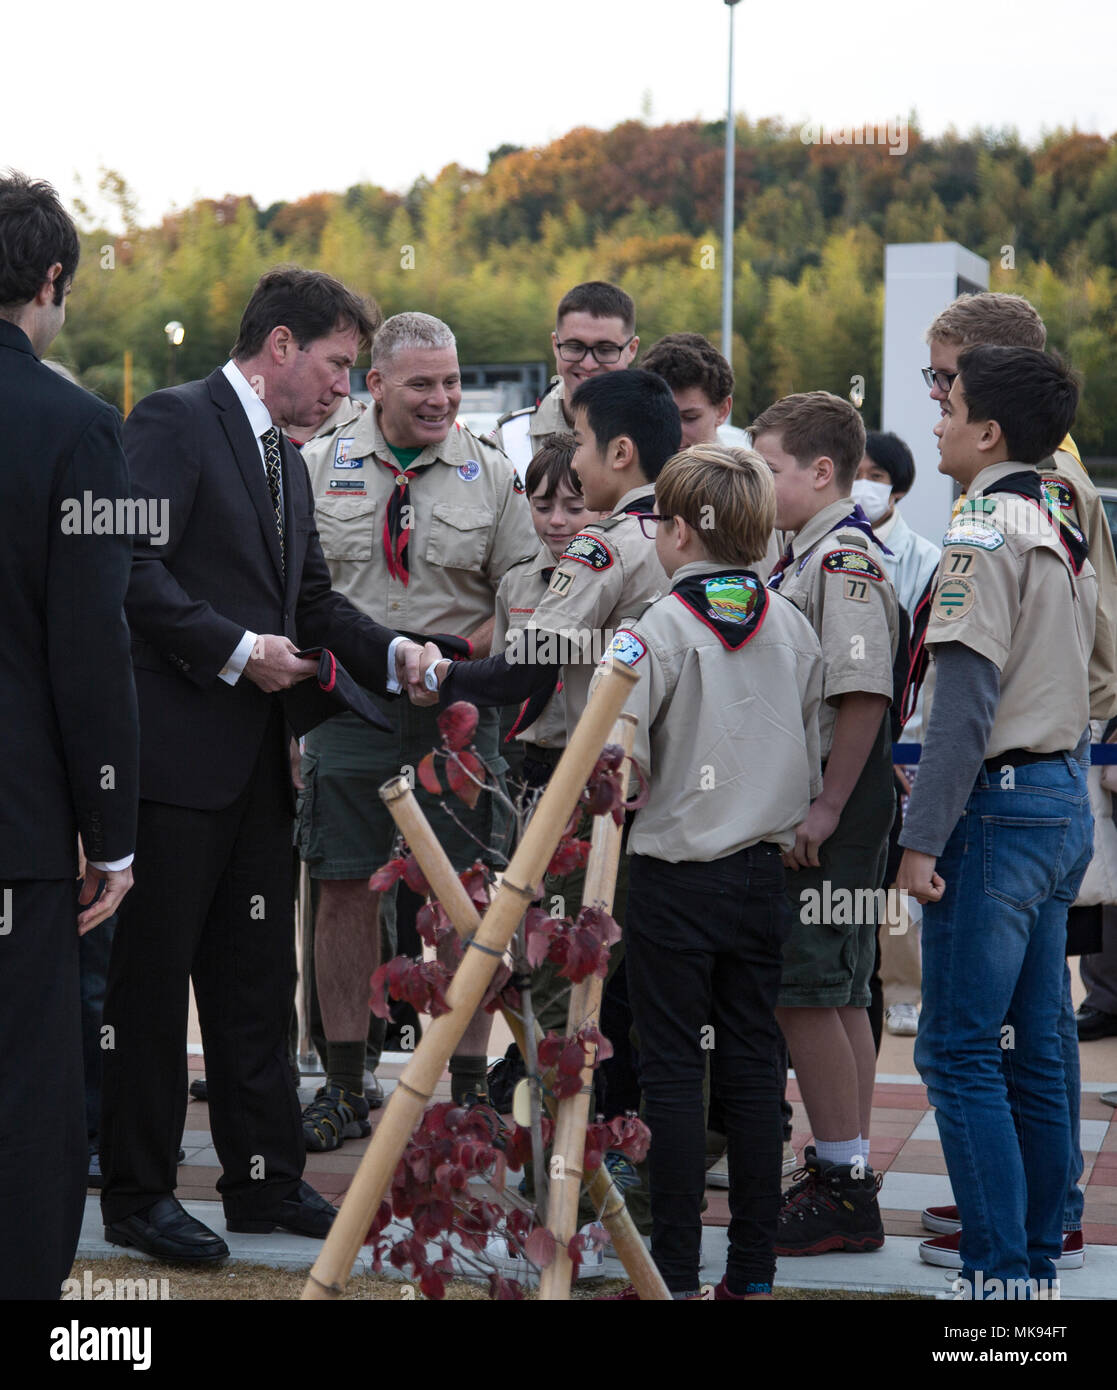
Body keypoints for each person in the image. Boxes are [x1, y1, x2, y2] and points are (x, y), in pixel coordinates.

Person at [99, 267, 439, 1264]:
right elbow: (128, 566)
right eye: (338, 365)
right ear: (281, 345)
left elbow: (317, 609)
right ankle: (137, 1194)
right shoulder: (173, 420)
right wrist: (240, 649)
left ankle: (262, 1178)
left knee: (253, 980)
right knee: (153, 991)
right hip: (172, 763)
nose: (346, 387)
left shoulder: (286, 463)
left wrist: (398, 651)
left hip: (255, 765)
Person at [297, 311, 536, 1139]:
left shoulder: (495, 477)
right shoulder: (316, 468)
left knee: (467, 899)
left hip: (459, 716)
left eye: (450, 381)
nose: (442, 399)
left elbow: (525, 606)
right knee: (342, 888)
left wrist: (449, 660)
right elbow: (296, 598)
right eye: (421, 383)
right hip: (347, 707)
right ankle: (343, 1082)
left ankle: (465, 1092)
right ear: (376, 386)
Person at [916, 290, 1115, 1270]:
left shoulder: (985, 525)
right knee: (1034, 1041)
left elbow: (960, 704)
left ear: (987, 428)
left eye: (946, 401)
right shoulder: (1059, 516)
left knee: (953, 1048)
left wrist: (918, 841)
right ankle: (1038, 1245)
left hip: (995, 813)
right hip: (1055, 798)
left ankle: (1000, 1268)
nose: (935, 418)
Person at [597, 444, 823, 1301]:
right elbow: (807, 748)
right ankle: (752, 1275)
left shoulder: (654, 629)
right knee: (753, 1070)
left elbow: (619, 765)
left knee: (670, 1075)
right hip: (761, 876)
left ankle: (674, 1276)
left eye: (658, 520)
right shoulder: (792, 621)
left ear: (682, 532)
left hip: (673, 875)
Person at [0, 173, 139, 1298]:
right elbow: (90, 653)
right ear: (49, 281)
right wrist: (113, 830)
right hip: (17, 822)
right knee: (27, 1090)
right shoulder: (76, 426)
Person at [750, 391, 899, 1256]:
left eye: (769, 469)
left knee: (807, 987)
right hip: (825, 798)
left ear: (819, 471)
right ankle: (842, 1167)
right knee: (828, 987)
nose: (760, 484)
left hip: (833, 802)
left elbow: (862, 690)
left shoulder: (840, 560)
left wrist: (828, 806)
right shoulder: (803, 551)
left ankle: (845, 1185)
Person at [854, 430, 940, 1039]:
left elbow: (926, 667)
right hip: (853, 742)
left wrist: (905, 748)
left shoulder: (926, 560)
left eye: (875, 474)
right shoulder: (830, 545)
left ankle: (904, 990)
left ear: (898, 487)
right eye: (854, 471)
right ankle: (864, 989)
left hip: (905, 740)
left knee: (898, 884)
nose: (864, 483)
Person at [491, 431, 603, 789]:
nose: (556, 520)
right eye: (542, 507)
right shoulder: (515, 581)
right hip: (528, 760)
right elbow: (502, 673)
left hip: (592, 760)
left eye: (574, 508)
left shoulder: (613, 579)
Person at [641, 331, 780, 585]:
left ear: (723, 410)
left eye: (690, 418)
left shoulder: (745, 494)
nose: (675, 432)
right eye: (664, 417)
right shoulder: (625, 480)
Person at [493, 281, 638, 474]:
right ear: (555, 345)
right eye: (575, 347)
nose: (588, 364)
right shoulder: (509, 442)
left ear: (632, 349)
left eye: (605, 350)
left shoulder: (661, 435)